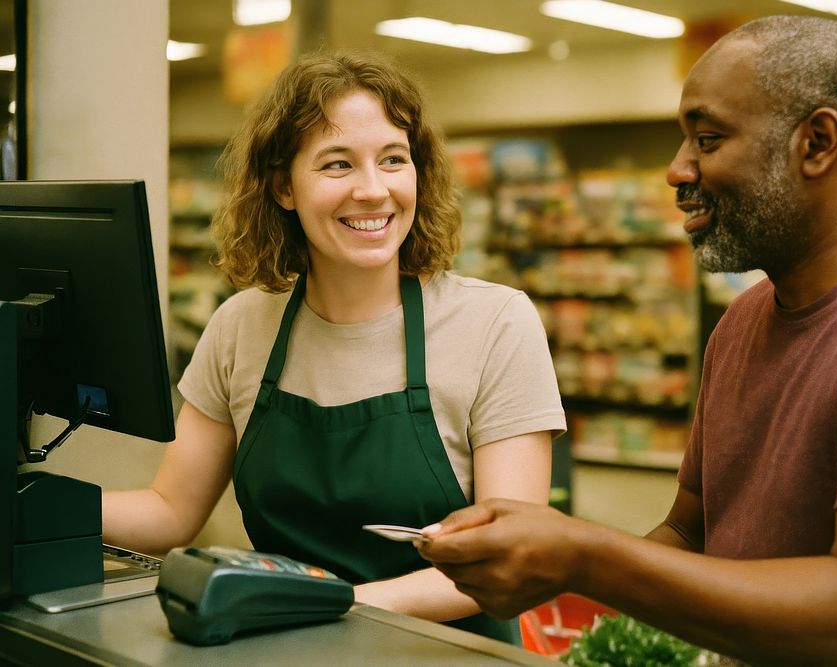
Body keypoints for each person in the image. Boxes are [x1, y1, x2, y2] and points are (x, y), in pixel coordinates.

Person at [418, 15, 837, 665]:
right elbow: (688, 535)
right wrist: (539, 559)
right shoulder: (743, 322)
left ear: (817, 142)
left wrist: (582, 552)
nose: (676, 169)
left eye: (708, 138)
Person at [102, 50, 566, 643]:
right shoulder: (242, 326)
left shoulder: (495, 323)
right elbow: (169, 511)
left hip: (447, 654)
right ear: (283, 188)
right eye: (337, 164)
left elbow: (506, 561)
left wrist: (321, 603)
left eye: (393, 160)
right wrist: (34, 504)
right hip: (282, 645)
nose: (373, 191)